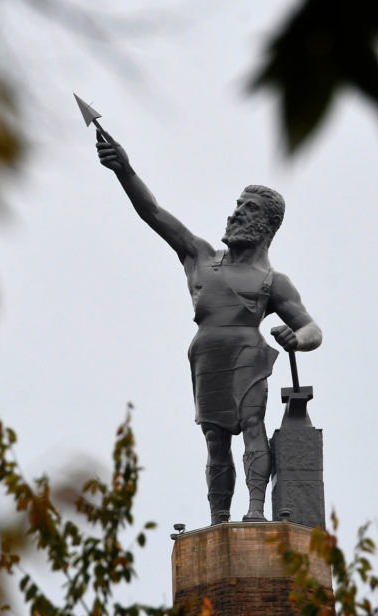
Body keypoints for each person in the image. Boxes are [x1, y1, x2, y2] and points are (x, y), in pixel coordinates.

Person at [96, 130, 322, 524]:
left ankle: (255, 510)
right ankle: (219, 516)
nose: (234, 214)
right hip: (207, 357)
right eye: (236, 206)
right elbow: (153, 212)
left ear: (266, 225)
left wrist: (295, 339)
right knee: (215, 440)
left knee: (253, 425)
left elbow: (312, 329)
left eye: (246, 209)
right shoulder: (200, 256)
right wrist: (124, 170)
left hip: (248, 356)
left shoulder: (274, 281)